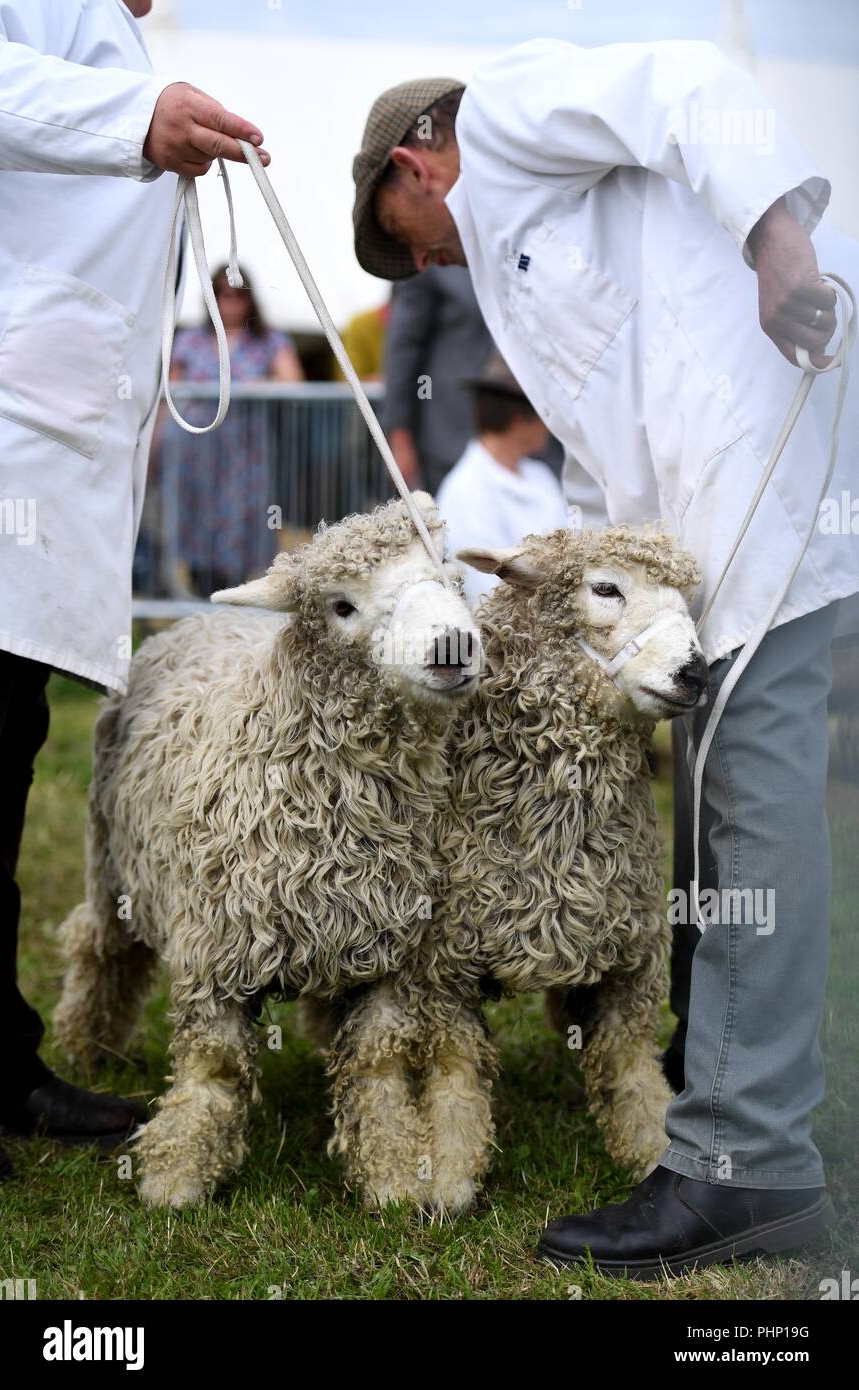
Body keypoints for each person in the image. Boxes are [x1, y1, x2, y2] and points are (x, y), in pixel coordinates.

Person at [351, 39, 859, 1276]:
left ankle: (747, 1164)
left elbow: (690, 86)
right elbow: (597, 446)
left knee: (753, 796)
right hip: (688, 546)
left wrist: (774, 239)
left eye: (406, 234)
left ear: (421, 162)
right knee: (705, 805)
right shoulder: (523, 275)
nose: (424, 262)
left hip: (763, 472)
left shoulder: (514, 114)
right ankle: (721, 1086)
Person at [0, 0, 268, 1182]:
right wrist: (138, 119)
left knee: (4, 755)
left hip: (44, 454)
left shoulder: (102, 17)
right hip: (7, 436)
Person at [167, 265, 303, 596]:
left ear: (249, 298)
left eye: (237, 294)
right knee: (198, 522)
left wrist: (261, 385)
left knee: (244, 525)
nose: (229, 301)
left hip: (246, 455)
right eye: (221, 293)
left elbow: (293, 381)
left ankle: (234, 596)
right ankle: (202, 596)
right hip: (196, 454)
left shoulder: (268, 339)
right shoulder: (190, 340)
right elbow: (168, 394)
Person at [436, 354, 569, 608]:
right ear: (520, 418)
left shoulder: (540, 476)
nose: (549, 425)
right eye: (544, 413)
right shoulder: (466, 491)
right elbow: (486, 594)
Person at [383, 265, 493, 493]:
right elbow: (404, 349)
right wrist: (399, 435)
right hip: (446, 441)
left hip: (523, 444)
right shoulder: (428, 261)